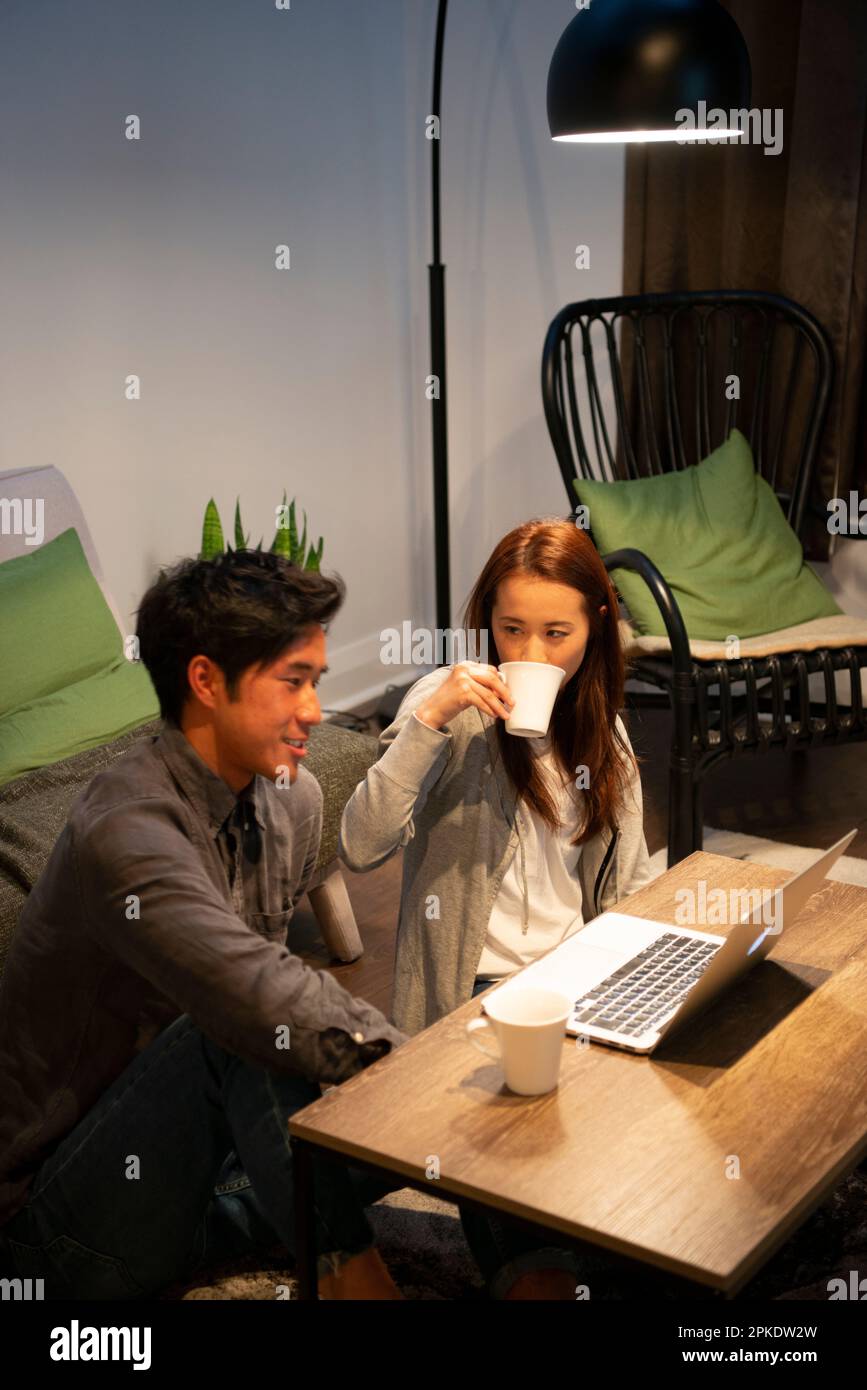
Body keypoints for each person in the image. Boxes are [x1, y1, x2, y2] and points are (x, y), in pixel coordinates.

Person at [0, 548, 411, 1301]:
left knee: (483, 1098)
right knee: (243, 1023)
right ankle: (359, 1288)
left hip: (206, 1177)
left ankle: (537, 1278)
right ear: (204, 682)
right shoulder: (123, 832)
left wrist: (457, 1088)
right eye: (292, 682)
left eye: (314, 682)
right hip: (62, 1229)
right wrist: (412, 1071)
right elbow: (250, 995)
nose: (316, 711)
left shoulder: (289, 799)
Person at [339, 517, 655, 1299]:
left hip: (578, 980)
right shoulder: (448, 711)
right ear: (488, 623)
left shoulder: (603, 734)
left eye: (556, 632)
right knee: (517, 1142)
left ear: (596, 626)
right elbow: (358, 846)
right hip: (474, 997)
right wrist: (426, 723)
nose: (532, 654)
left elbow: (625, 887)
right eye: (512, 630)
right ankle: (537, 1276)